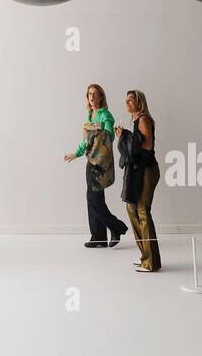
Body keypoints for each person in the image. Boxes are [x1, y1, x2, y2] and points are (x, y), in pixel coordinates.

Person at [63, 83, 127, 248]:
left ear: (101, 97)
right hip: (90, 161)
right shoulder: (90, 115)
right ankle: (98, 237)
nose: (92, 97)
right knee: (93, 198)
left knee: (94, 199)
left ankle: (117, 227)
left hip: (101, 164)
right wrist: (75, 153)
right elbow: (87, 141)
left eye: (95, 94)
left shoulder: (106, 115)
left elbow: (109, 136)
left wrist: (93, 129)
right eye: (89, 94)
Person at [118, 89, 162, 272]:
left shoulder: (143, 119)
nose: (127, 102)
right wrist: (126, 134)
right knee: (131, 207)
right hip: (138, 170)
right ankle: (146, 256)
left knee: (142, 210)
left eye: (131, 100)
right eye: (126, 100)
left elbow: (147, 145)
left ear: (139, 102)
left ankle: (151, 262)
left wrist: (125, 135)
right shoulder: (137, 121)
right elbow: (135, 143)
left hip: (147, 170)